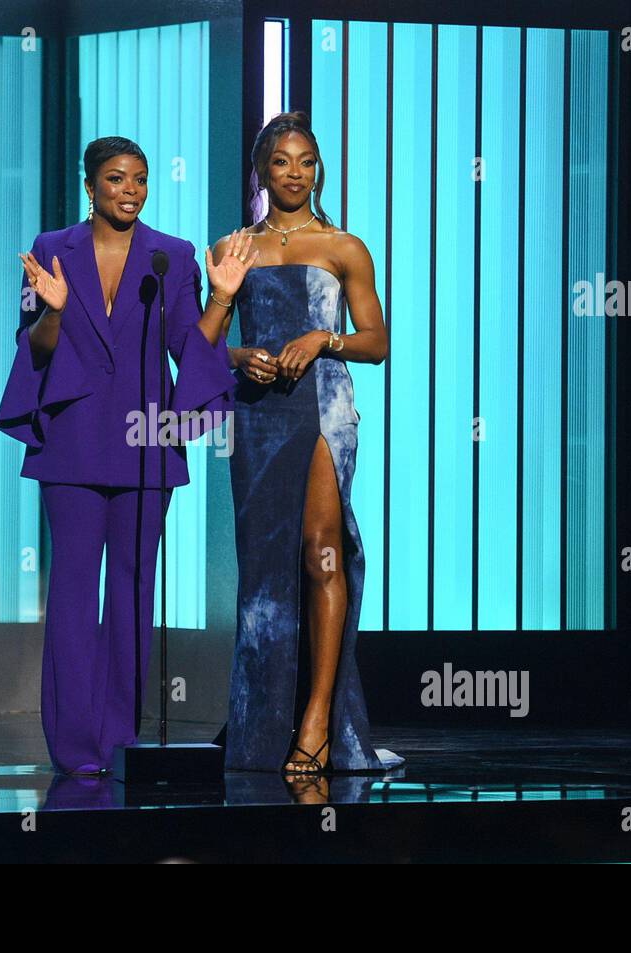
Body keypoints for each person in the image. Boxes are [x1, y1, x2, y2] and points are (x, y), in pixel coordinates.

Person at [0, 136, 255, 776]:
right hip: (75, 440)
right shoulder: (54, 249)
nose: (130, 190)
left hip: (145, 444)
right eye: (116, 179)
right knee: (75, 596)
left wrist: (221, 299)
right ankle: (74, 748)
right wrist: (50, 313)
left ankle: (117, 741)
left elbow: (189, 351)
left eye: (139, 179)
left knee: (134, 595)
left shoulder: (173, 255)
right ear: (91, 186)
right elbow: (38, 346)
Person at [210, 112, 402, 775]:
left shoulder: (344, 246)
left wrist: (326, 338)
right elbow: (203, 343)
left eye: (308, 161)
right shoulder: (234, 247)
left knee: (323, 551)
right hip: (259, 413)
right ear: (261, 171)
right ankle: (260, 726)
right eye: (282, 162)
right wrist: (239, 356)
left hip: (324, 406)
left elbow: (378, 341)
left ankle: (319, 719)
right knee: (264, 575)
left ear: (319, 169)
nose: (296, 173)